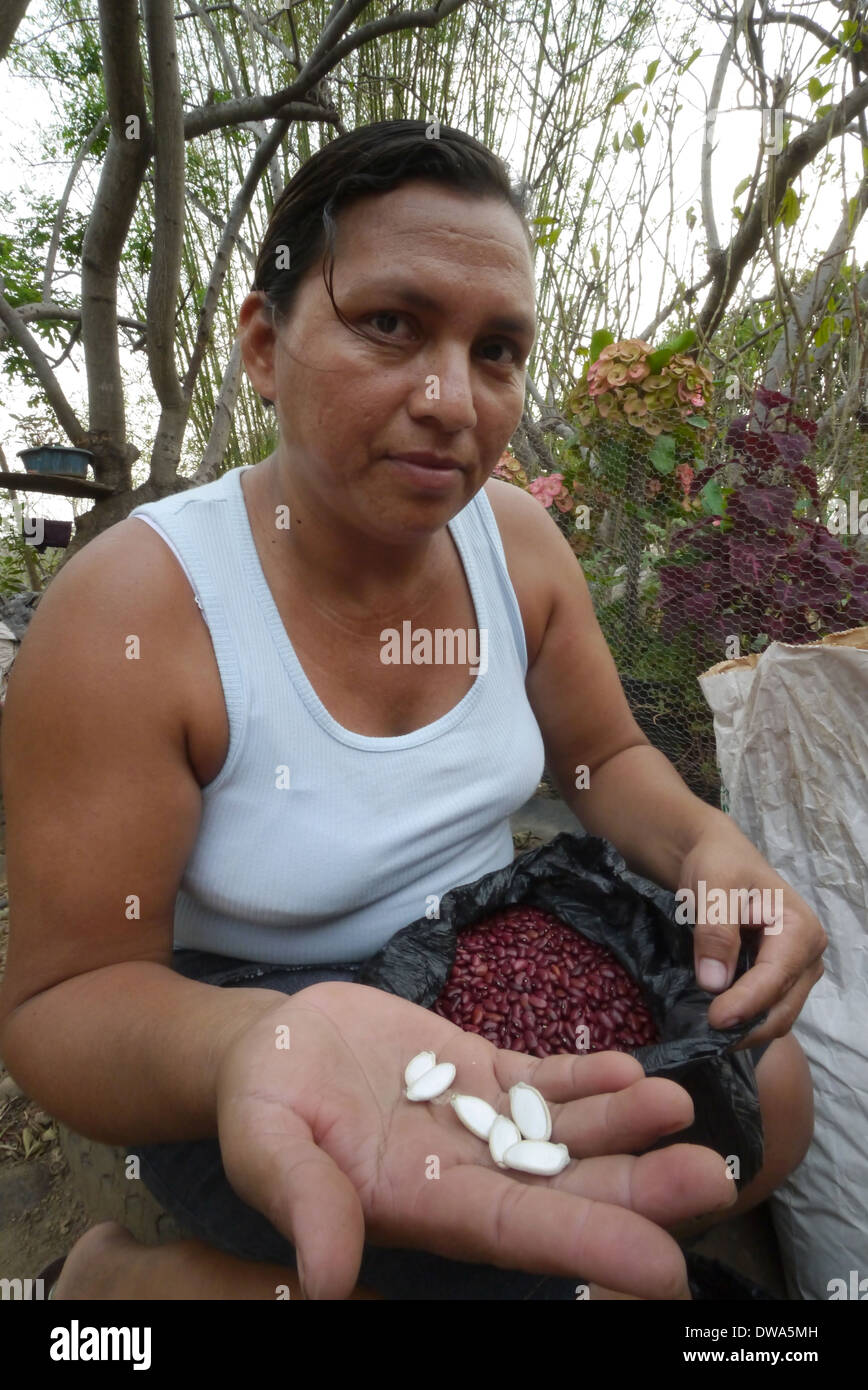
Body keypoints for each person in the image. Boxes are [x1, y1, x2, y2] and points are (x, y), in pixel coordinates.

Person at [0, 120, 824, 1301]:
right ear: (263, 341)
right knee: (481, 1265)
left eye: (495, 350)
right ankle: (115, 1283)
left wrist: (708, 842)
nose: (449, 399)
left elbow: (598, 757)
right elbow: (59, 1003)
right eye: (389, 323)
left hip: (491, 941)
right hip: (238, 1017)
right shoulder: (136, 615)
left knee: (768, 1102)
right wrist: (253, 1049)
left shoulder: (520, 546)